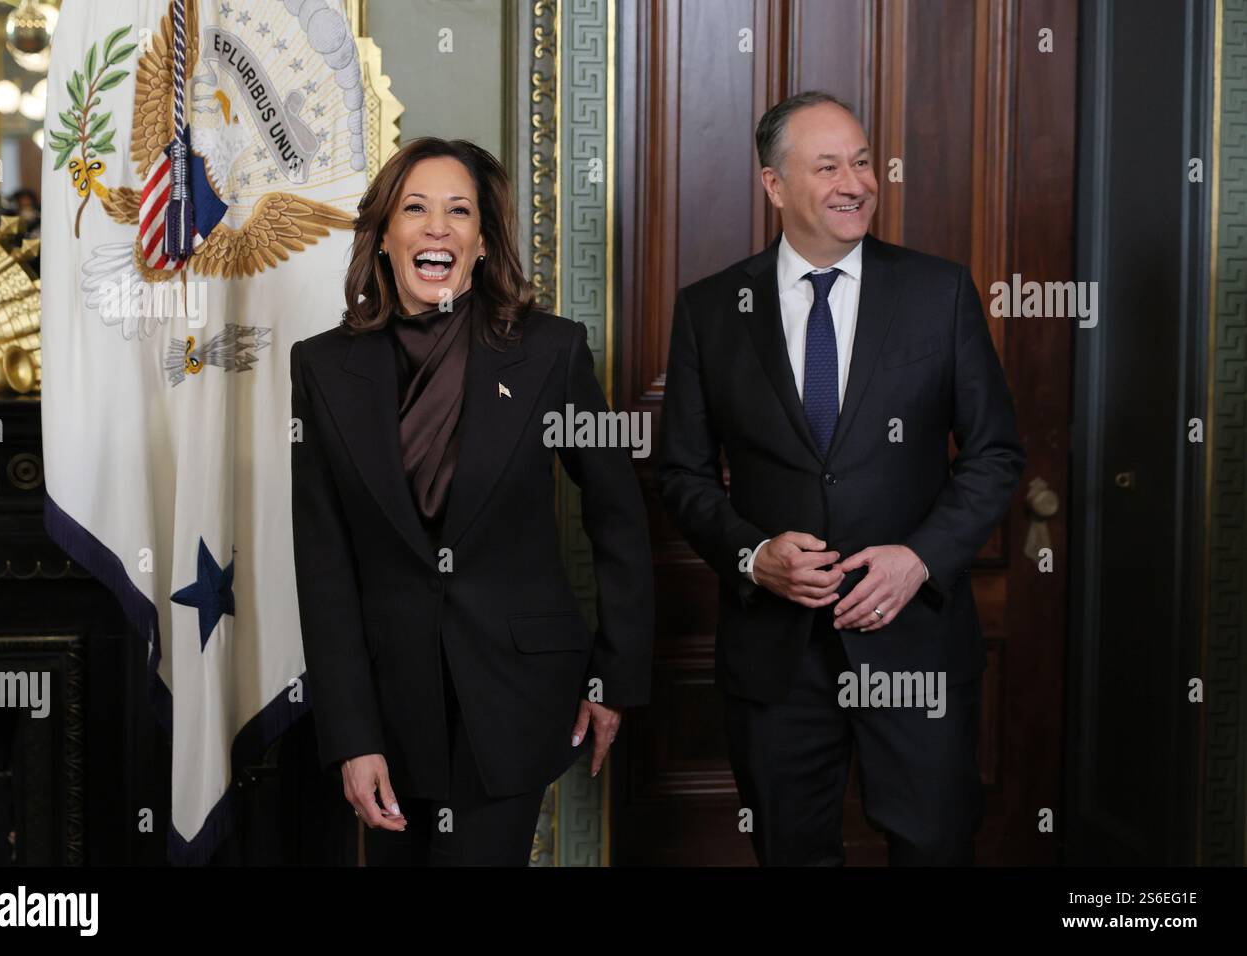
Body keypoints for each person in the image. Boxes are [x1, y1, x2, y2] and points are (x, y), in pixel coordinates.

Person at [658, 91, 1025, 865]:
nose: (854, 181)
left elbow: (995, 454)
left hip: (916, 645)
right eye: (828, 166)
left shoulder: (939, 292)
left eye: (862, 162)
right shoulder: (711, 311)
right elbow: (683, 475)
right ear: (774, 185)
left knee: (933, 848)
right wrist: (755, 557)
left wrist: (920, 558)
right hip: (775, 656)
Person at [290, 138, 653, 866]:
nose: (436, 228)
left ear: (482, 242)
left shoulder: (552, 352)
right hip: (388, 709)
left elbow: (619, 514)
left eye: (458, 212)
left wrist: (615, 676)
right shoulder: (322, 367)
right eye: (415, 209)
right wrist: (352, 736)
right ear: (384, 235)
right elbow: (324, 565)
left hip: (516, 694)